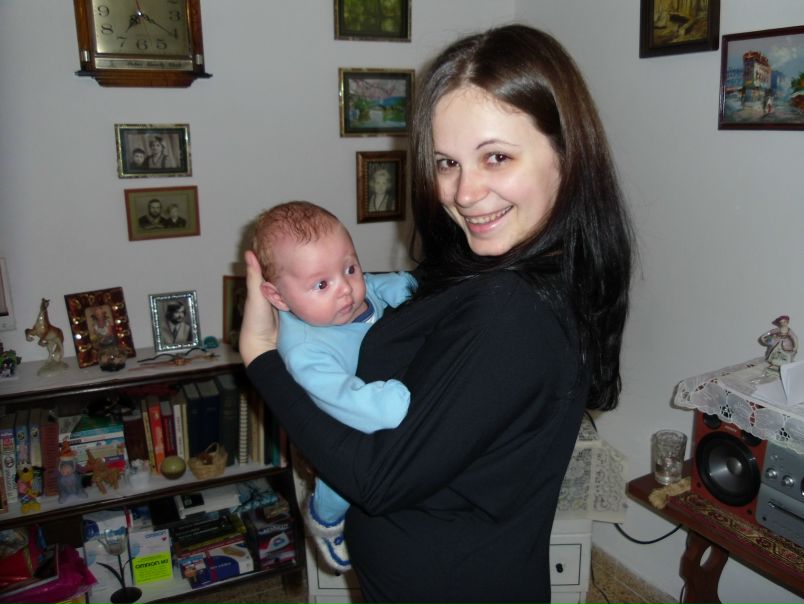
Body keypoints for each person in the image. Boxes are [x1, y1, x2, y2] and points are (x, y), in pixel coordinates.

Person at [240, 24, 634, 603]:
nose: (464, 193)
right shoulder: (501, 266)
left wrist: (261, 357)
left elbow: (375, 478)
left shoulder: (511, 309)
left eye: (496, 157)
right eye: (447, 162)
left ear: (566, 153)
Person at [251, 200, 415, 571]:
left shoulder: (350, 296)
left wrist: (408, 288)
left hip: (368, 384)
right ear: (278, 297)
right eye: (322, 284)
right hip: (340, 418)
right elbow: (346, 401)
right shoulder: (305, 350)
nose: (345, 289)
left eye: (350, 268)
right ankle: (324, 519)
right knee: (344, 474)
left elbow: (378, 284)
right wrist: (391, 403)